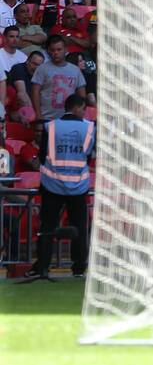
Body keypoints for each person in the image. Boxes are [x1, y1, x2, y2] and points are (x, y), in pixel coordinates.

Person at [27, 92, 94, 280]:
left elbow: (42, 155)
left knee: (47, 228)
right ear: (77, 107)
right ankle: (79, 268)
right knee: (79, 228)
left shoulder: (51, 126)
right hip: (78, 187)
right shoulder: (89, 128)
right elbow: (88, 155)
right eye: (83, 109)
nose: (84, 113)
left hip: (52, 185)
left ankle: (42, 268)